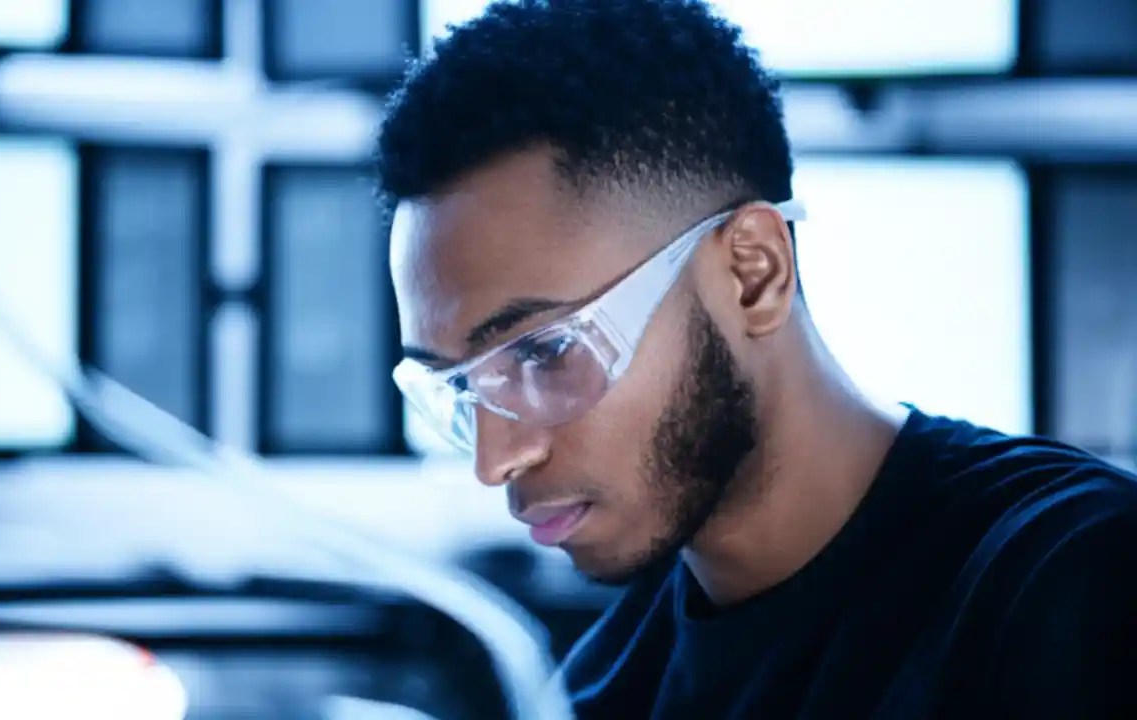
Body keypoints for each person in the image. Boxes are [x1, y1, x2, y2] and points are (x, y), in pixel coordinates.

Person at [376, 1, 1137, 717]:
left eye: (546, 351)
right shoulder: (597, 689)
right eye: (458, 389)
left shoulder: (1073, 584)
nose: (496, 460)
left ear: (752, 274)